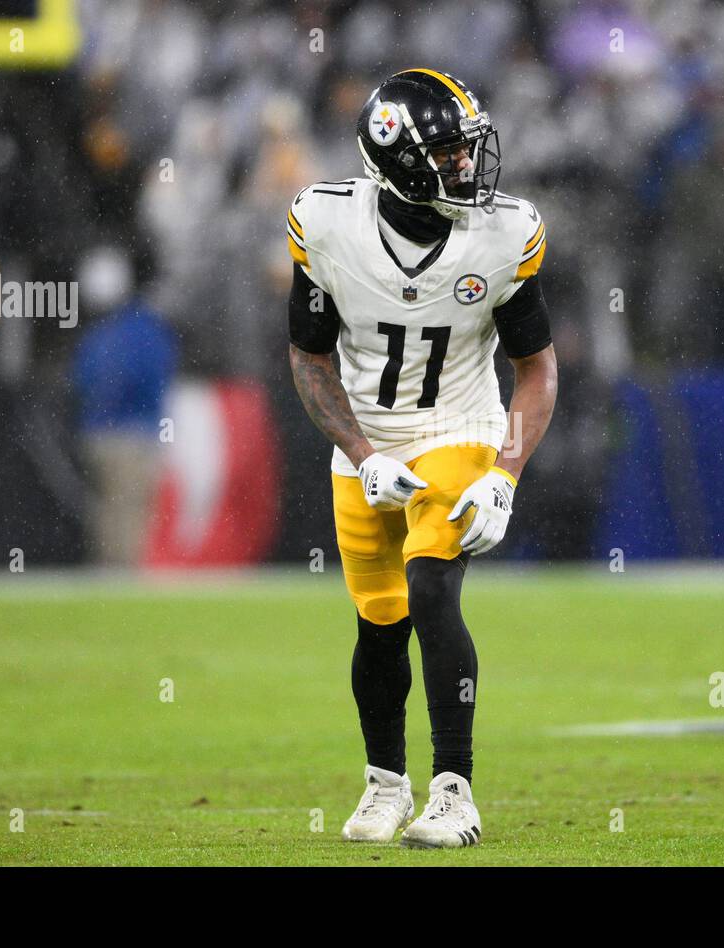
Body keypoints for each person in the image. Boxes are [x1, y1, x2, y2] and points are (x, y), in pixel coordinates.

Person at [285, 69, 557, 849]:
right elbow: (308, 361)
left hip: (459, 427)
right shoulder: (327, 225)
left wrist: (504, 470)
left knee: (433, 587)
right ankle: (384, 784)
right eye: (447, 152)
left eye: (468, 150)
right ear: (397, 158)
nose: (468, 166)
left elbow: (537, 365)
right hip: (366, 441)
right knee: (379, 624)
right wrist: (362, 453)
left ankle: (454, 791)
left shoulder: (503, 236)